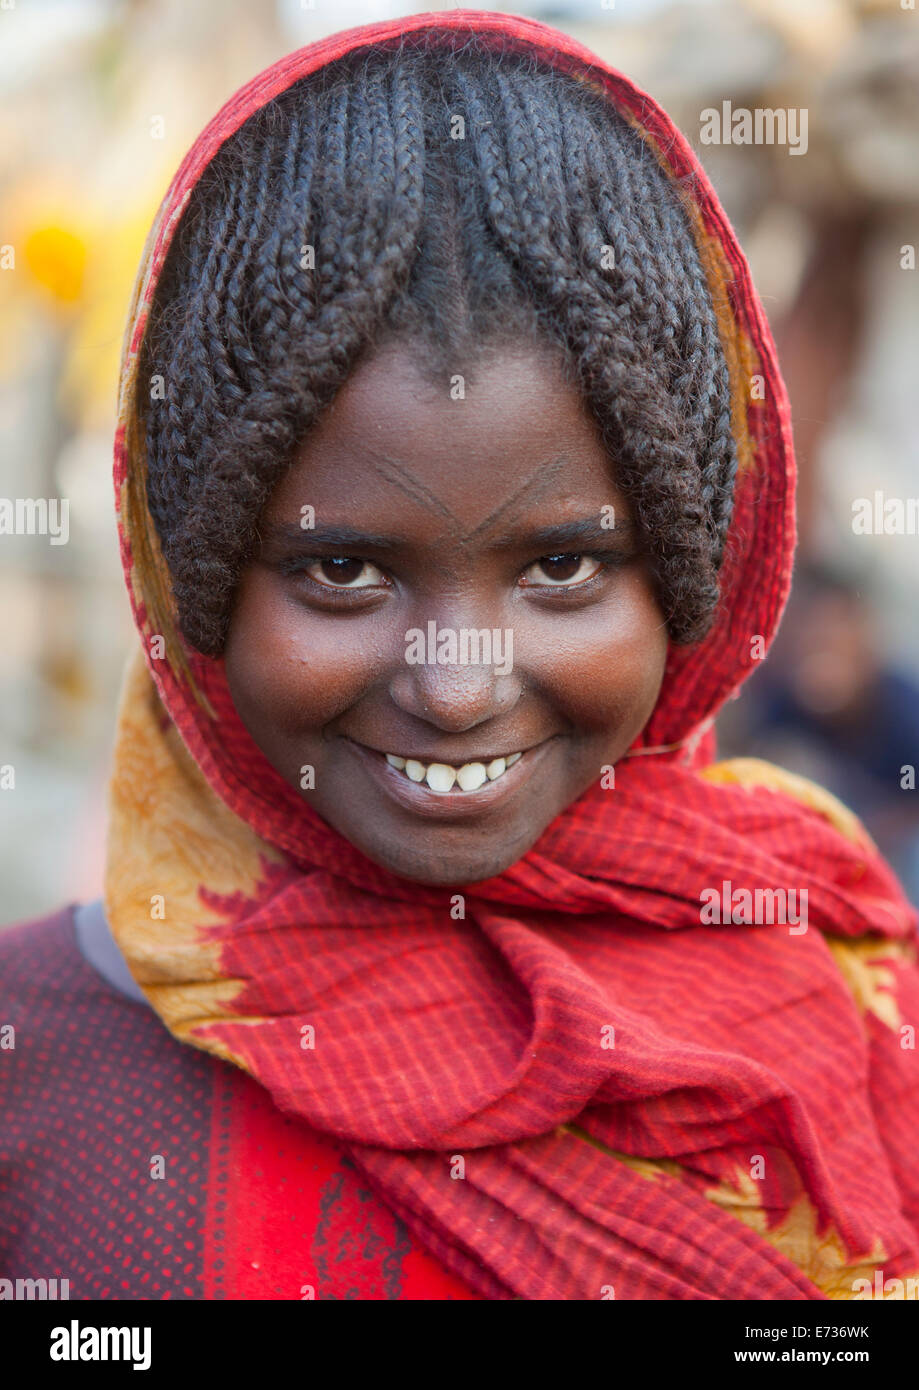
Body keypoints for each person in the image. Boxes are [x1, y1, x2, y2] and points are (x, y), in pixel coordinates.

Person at [2, 10, 917, 1301]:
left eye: (561, 567)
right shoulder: (31, 1072)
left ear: (695, 573)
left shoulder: (855, 1006)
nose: (456, 684)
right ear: (189, 576)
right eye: (342, 569)